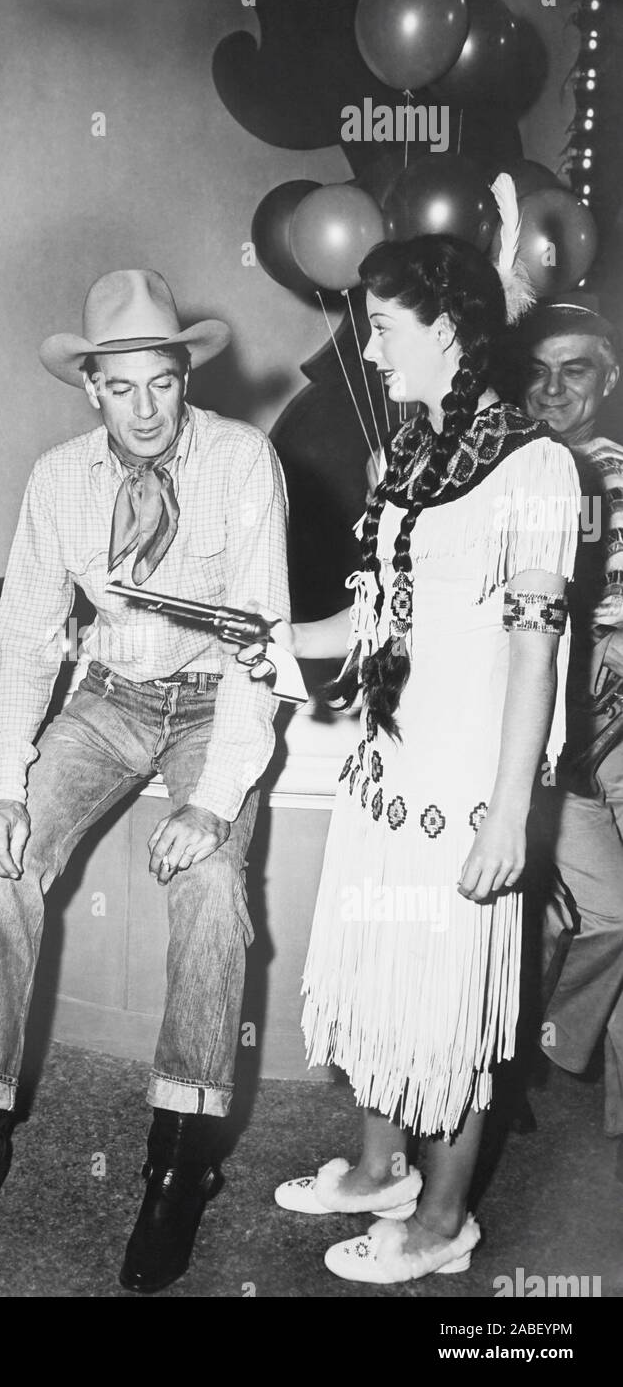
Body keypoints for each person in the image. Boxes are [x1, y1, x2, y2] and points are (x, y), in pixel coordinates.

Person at [0, 268, 290, 1293]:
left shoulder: (243, 461)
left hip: (216, 700)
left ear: (182, 375)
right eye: (119, 388)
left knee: (211, 886)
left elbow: (261, 648)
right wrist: (2, 783)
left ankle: (177, 1163)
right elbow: (31, 647)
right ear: (89, 388)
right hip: (111, 697)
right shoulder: (56, 479)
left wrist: (211, 802)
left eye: (160, 384)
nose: (142, 409)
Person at [241, 236, 580, 1283]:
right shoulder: (409, 453)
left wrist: (504, 815)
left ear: (444, 329)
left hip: (463, 789)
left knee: (450, 1007)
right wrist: (274, 634)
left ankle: (441, 1222)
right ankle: (379, 1167)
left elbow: (535, 657)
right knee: (382, 978)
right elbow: (374, 611)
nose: (371, 354)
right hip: (385, 777)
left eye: (382, 329)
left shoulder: (536, 470)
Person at [517, 304, 623, 1161]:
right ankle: (520, 1050)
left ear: (609, 379)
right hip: (549, 748)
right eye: (540, 371)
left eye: (576, 370)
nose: (554, 389)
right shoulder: (512, 476)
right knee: (601, 919)